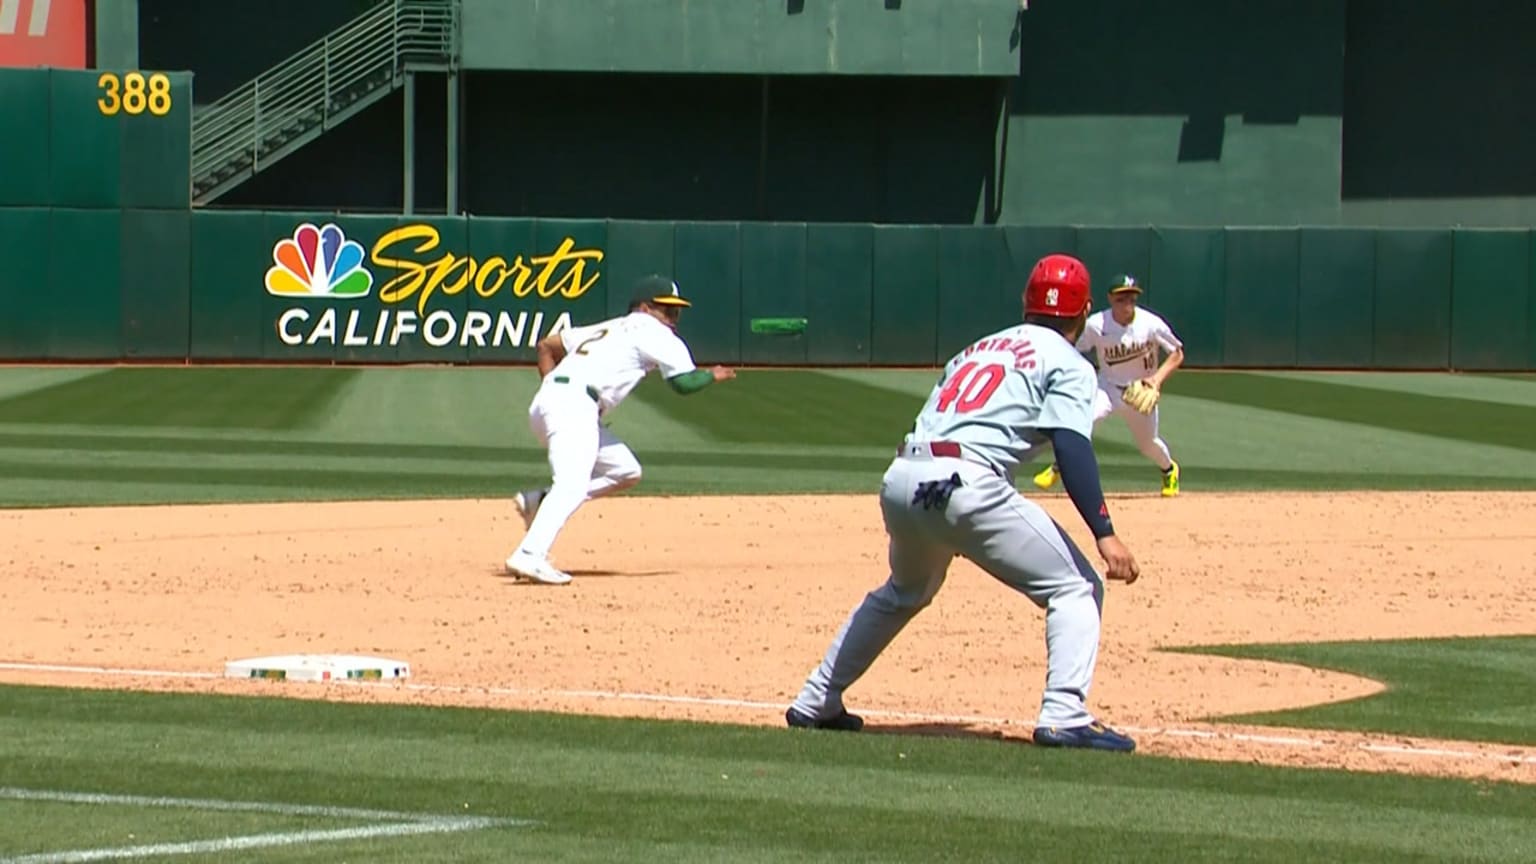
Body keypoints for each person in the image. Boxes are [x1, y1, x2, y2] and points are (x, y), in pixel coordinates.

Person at [785, 253, 1142, 751]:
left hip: (903, 478)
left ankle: (816, 699)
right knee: (1075, 587)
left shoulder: (976, 350)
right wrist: (1104, 532)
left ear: (1026, 304)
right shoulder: (1069, 363)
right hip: (966, 484)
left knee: (904, 591)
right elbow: (1071, 445)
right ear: (1083, 313)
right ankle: (1065, 713)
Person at [505, 274, 736, 585]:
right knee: (572, 485)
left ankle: (540, 501)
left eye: (676, 310)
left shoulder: (610, 327)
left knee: (626, 471)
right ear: (644, 308)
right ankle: (529, 554)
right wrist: (711, 375)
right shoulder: (656, 333)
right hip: (574, 407)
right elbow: (683, 383)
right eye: (666, 309)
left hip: (550, 403)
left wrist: (552, 388)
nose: (672, 316)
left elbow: (547, 345)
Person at [1033, 273, 1185, 498]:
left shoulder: (1151, 324)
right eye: (1121, 298)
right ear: (1110, 299)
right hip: (1108, 388)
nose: (1127, 303)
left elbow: (1177, 353)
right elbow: (1074, 348)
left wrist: (1156, 380)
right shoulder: (1097, 325)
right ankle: (1058, 467)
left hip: (1140, 391)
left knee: (1148, 444)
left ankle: (1169, 469)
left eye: (1131, 298)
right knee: (1083, 421)